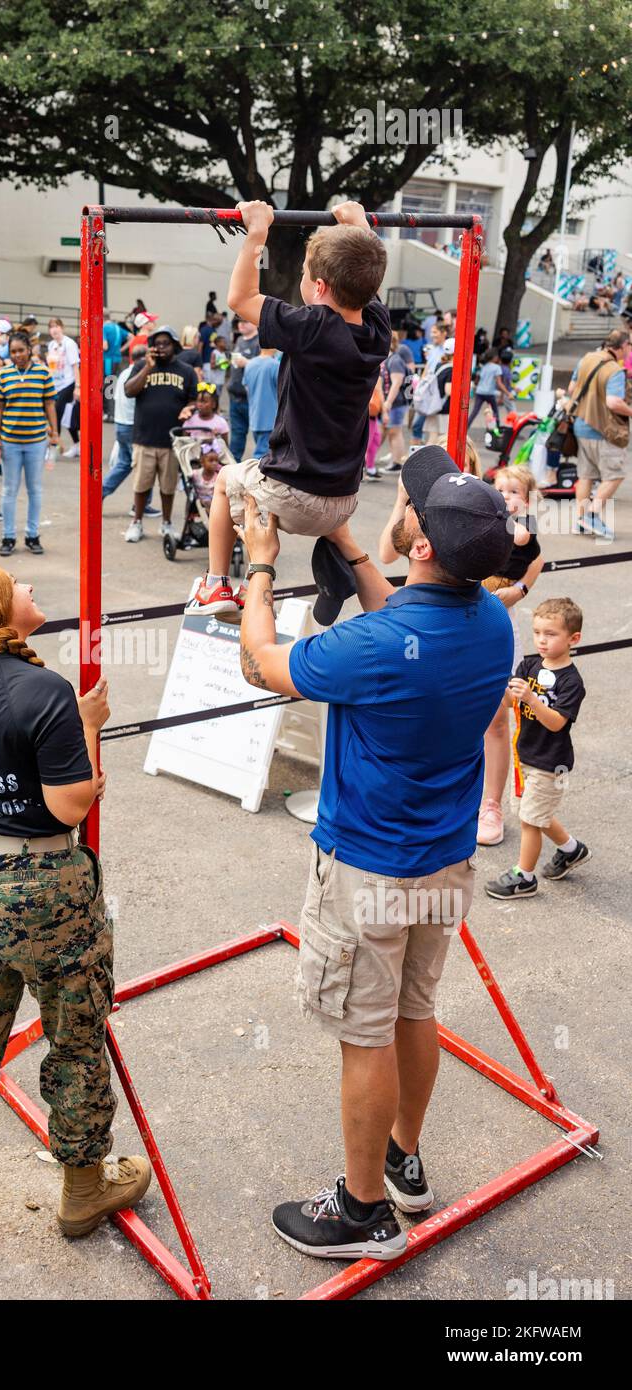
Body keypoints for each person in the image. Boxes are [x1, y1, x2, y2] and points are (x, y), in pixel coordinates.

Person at [234, 444, 513, 1260]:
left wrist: (258, 568)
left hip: (369, 867)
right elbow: (404, 613)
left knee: (364, 1033)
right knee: (412, 1012)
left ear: (421, 544)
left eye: (410, 504)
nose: (402, 499)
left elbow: (264, 664)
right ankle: (402, 1161)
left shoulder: (378, 647)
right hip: (443, 858)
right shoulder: (488, 615)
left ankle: (361, 1215)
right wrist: (355, 551)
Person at [0, 564, 151, 1262]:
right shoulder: (44, 689)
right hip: (38, 880)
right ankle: (81, 1188)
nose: (30, 590)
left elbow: (4, 766)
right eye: (18, 586)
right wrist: (89, 727)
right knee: (74, 1032)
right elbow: (71, 804)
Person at [186, 199, 389, 616]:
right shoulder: (378, 329)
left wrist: (257, 234)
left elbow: (240, 297)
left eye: (302, 274)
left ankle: (217, 585)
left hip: (295, 496)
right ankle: (338, 573)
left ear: (318, 288)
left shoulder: (312, 326)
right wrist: (362, 229)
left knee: (227, 478)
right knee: (302, 501)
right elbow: (366, 282)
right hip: (344, 497)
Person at [486, 599, 589, 900]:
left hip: (551, 762)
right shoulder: (529, 665)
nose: (542, 640)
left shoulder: (571, 681)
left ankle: (524, 877)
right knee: (533, 812)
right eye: (537, 632)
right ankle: (572, 849)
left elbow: (557, 723)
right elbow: (508, 702)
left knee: (530, 819)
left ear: (574, 639)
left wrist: (531, 699)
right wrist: (495, 685)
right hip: (526, 756)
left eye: (551, 634)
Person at [474, 465, 545, 846]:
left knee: (498, 714)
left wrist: (521, 588)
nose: (505, 496)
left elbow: (533, 556)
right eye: (498, 489)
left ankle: (491, 805)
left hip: (499, 618)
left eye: (514, 491)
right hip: (463, 613)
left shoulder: (519, 526)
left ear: (529, 500)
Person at [123, 325, 198, 543]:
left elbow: (194, 398)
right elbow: (129, 391)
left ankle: (166, 523)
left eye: (166, 343)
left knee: (168, 487)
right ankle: (136, 522)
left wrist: (189, 408)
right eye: (157, 343)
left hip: (172, 440)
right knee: (141, 485)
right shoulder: (141, 366)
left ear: (175, 345)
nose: (161, 347)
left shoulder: (186, 370)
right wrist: (147, 367)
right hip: (144, 437)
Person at [0, 330, 58, 557]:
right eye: (13, 351)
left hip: (36, 441)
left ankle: (32, 535)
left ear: (29, 350)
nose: (17, 355)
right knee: (9, 490)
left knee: (35, 490)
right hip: (10, 441)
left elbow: (50, 404)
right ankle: (8, 536)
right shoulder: (2, 375)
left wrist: (55, 433)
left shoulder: (43, 373)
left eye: (21, 350)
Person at [568, 329, 631, 541]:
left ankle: (580, 520)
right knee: (616, 474)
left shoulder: (587, 358)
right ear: (621, 346)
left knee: (586, 476)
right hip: (602, 429)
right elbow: (614, 402)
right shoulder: (614, 370)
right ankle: (592, 515)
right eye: (628, 346)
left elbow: (571, 388)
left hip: (580, 425)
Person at [102, 345, 157, 513]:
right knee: (145, 466)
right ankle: (142, 505)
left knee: (124, 464)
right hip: (133, 427)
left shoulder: (125, 373)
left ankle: (100, 492)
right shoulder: (139, 376)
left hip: (121, 425)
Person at [225, 318, 261, 459]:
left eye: (244, 321)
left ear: (253, 322)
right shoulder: (239, 340)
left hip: (251, 399)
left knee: (260, 437)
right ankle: (234, 473)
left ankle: (260, 473)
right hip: (235, 397)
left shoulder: (260, 341)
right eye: (238, 322)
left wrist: (247, 363)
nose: (240, 324)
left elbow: (266, 363)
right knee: (236, 439)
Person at [46, 318, 81, 458]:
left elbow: (75, 365)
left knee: (56, 413)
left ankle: (53, 448)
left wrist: (77, 386)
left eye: (56, 326)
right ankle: (77, 445)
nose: (54, 329)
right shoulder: (51, 345)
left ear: (62, 327)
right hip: (56, 384)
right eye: (51, 327)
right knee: (67, 416)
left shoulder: (69, 344)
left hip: (69, 382)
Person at [380, 331, 412, 472]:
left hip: (396, 402)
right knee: (392, 432)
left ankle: (397, 462)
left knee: (395, 432)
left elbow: (396, 383)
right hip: (395, 402)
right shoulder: (391, 359)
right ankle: (395, 461)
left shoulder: (395, 360)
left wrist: (388, 402)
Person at [242, 345, 280, 456]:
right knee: (263, 456)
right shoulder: (275, 365)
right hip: (270, 420)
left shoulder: (250, 364)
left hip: (255, 418)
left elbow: (247, 388)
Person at [468, 350, 511, 428]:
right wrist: (508, 393)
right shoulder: (497, 368)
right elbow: (499, 383)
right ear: (494, 358)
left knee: (475, 411)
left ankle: (466, 427)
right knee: (495, 411)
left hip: (480, 392)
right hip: (489, 393)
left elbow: (477, 381)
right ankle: (497, 428)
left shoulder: (483, 366)